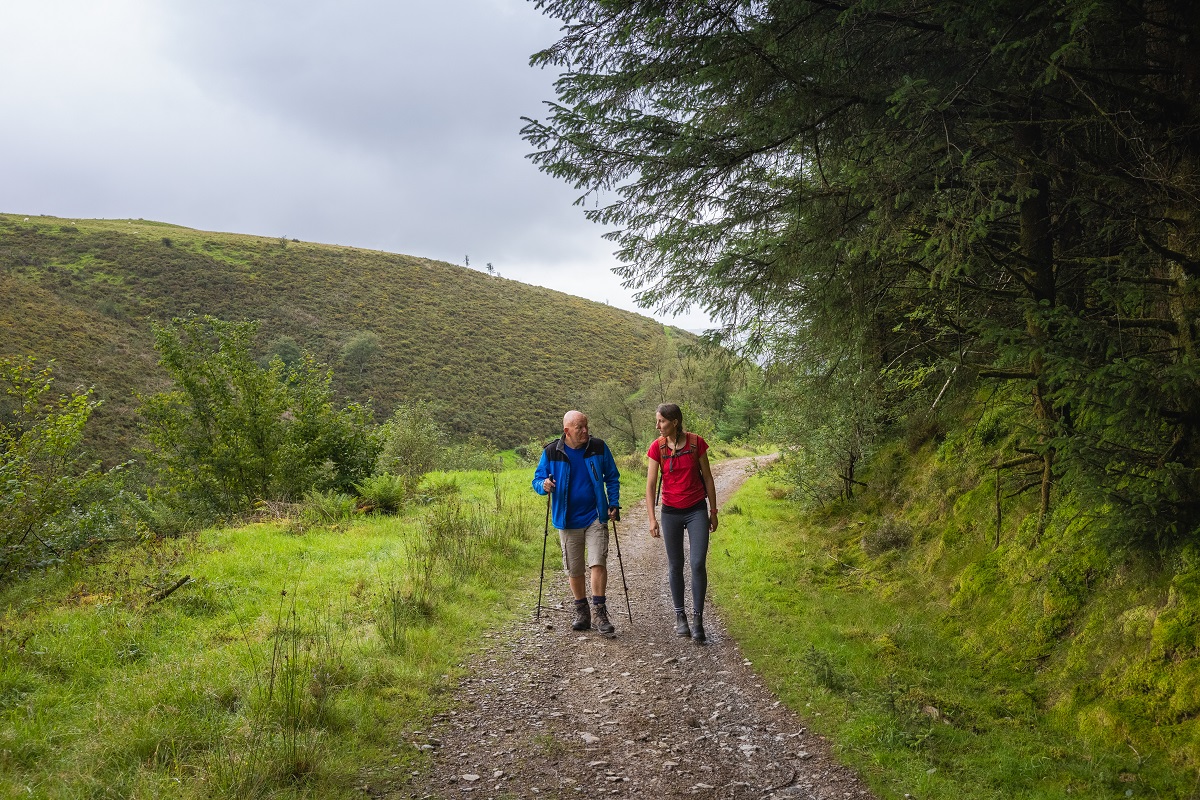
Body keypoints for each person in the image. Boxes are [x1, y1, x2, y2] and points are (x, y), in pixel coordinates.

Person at [533, 410, 622, 634]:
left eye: (586, 426)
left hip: (595, 515)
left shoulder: (598, 447)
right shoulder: (552, 452)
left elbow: (612, 476)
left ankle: (599, 613)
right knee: (574, 568)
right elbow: (537, 479)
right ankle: (582, 611)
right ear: (567, 431)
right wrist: (544, 485)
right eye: (579, 427)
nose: (585, 431)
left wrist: (614, 502)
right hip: (567, 518)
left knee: (597, 561)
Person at [645, 403, 718, 643]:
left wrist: (713, 511)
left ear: (675, 422)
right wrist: (652, 518)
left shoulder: (697, 443)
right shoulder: (658, 447)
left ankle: (698, 619)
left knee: (697, 563)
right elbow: (651, 485)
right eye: (657, 421)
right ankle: (680, 617)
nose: (658, 426)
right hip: (671, 512)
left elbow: (707, 477)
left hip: (696, 509)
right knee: (675, 565)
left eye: (661, 422)